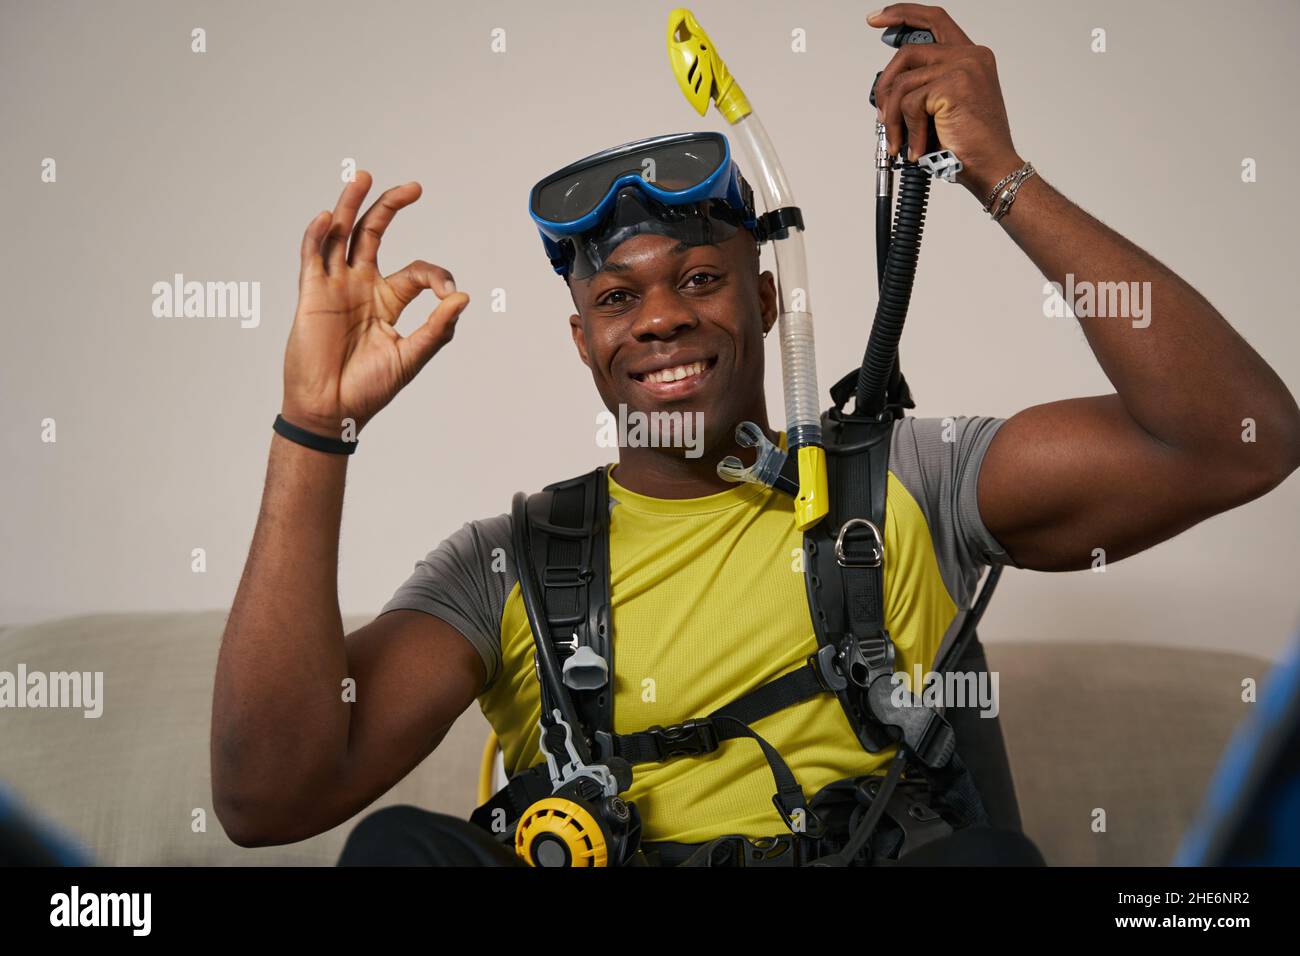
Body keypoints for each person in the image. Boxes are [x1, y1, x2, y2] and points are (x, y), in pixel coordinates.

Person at [210, 4, 1300, 865]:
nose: (662, 316)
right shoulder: (506, 565)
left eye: (698, 278)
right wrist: (316, 424)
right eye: (617, 299)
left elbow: (1237, 438)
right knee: (399, 847)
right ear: (582, 340)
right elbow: (269, 797)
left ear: (769, 305)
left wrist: (995, 173)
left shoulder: (903, 480)